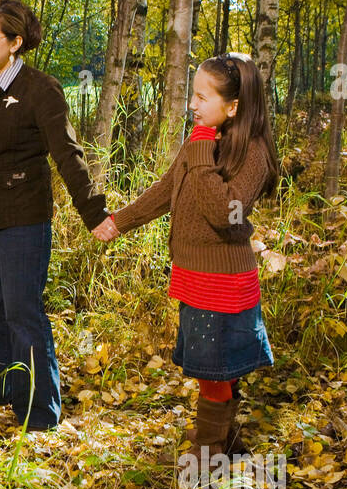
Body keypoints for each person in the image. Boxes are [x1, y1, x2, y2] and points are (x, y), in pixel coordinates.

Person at [0, 0, 109, 431]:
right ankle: (8, 384)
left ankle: (40, 409)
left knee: (23, 309)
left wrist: (94, 212)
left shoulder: (39, 89)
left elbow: (68, 153)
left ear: (15, 42)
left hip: (23, 216)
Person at [93, 52, 280, 464]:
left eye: (201, 97)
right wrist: (118, 223)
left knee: (215, 369)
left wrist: (200, 153)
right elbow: (167, 188)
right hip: (195, 276)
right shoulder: (204, 139)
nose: (192, 105)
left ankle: (208, 454)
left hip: (224, 281)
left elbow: (225, 211)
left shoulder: (253, 154)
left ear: (233, 106)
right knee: (211, 367)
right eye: (192, 96)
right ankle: (222, 441)